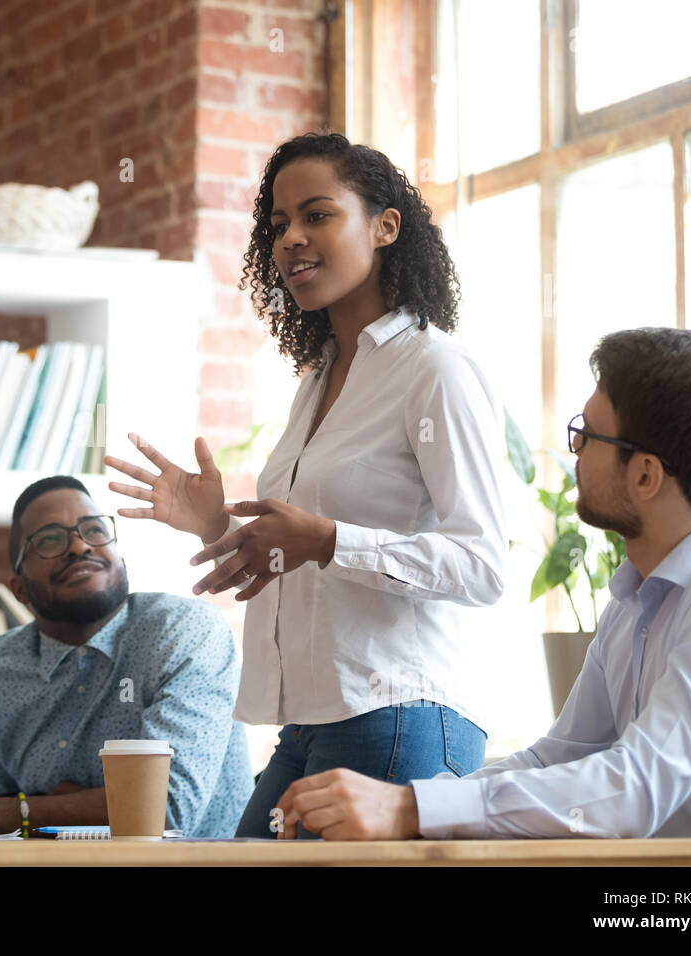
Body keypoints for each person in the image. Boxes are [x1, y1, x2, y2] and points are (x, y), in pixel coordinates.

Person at [105, 131, 507, 838]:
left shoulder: (433, 370)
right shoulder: (318, 380)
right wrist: (213, 526)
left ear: (386, 227)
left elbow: (482, 565)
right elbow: (305, 550)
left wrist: (325, 539)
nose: (291, 238)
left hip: (403, 714)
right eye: (279, 224)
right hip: (314, 721)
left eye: (317, 215)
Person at [273, 328, 691, 865]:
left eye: (587, 436)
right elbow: (557, 758)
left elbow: (634, 788)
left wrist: (409, 808)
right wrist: (428, 802)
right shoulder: (636, 600)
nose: (575, 450)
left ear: (646, 475)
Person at [0, 475, 252, 836]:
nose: (80, 546)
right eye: (49, 540)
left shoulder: (184, 632)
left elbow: (163, 810)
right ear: (19, 589)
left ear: (122, 561)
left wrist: (21, 811)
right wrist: (46, 809)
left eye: (95, 531)